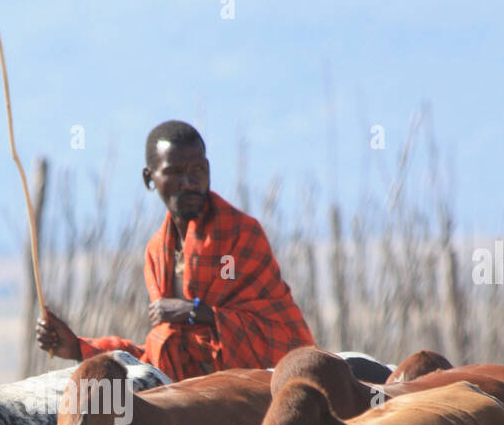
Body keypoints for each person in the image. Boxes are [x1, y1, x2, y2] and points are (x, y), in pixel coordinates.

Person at [36, 120, 314, 378]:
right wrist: (77, 347)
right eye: (175, 172)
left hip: (263, 387)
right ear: (150, 178)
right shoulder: (157, 253)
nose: (189, 183)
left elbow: (275, 335)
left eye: (198, 170)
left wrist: (196, 311)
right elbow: (159, 353)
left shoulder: (240, 235)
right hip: (190, 396)